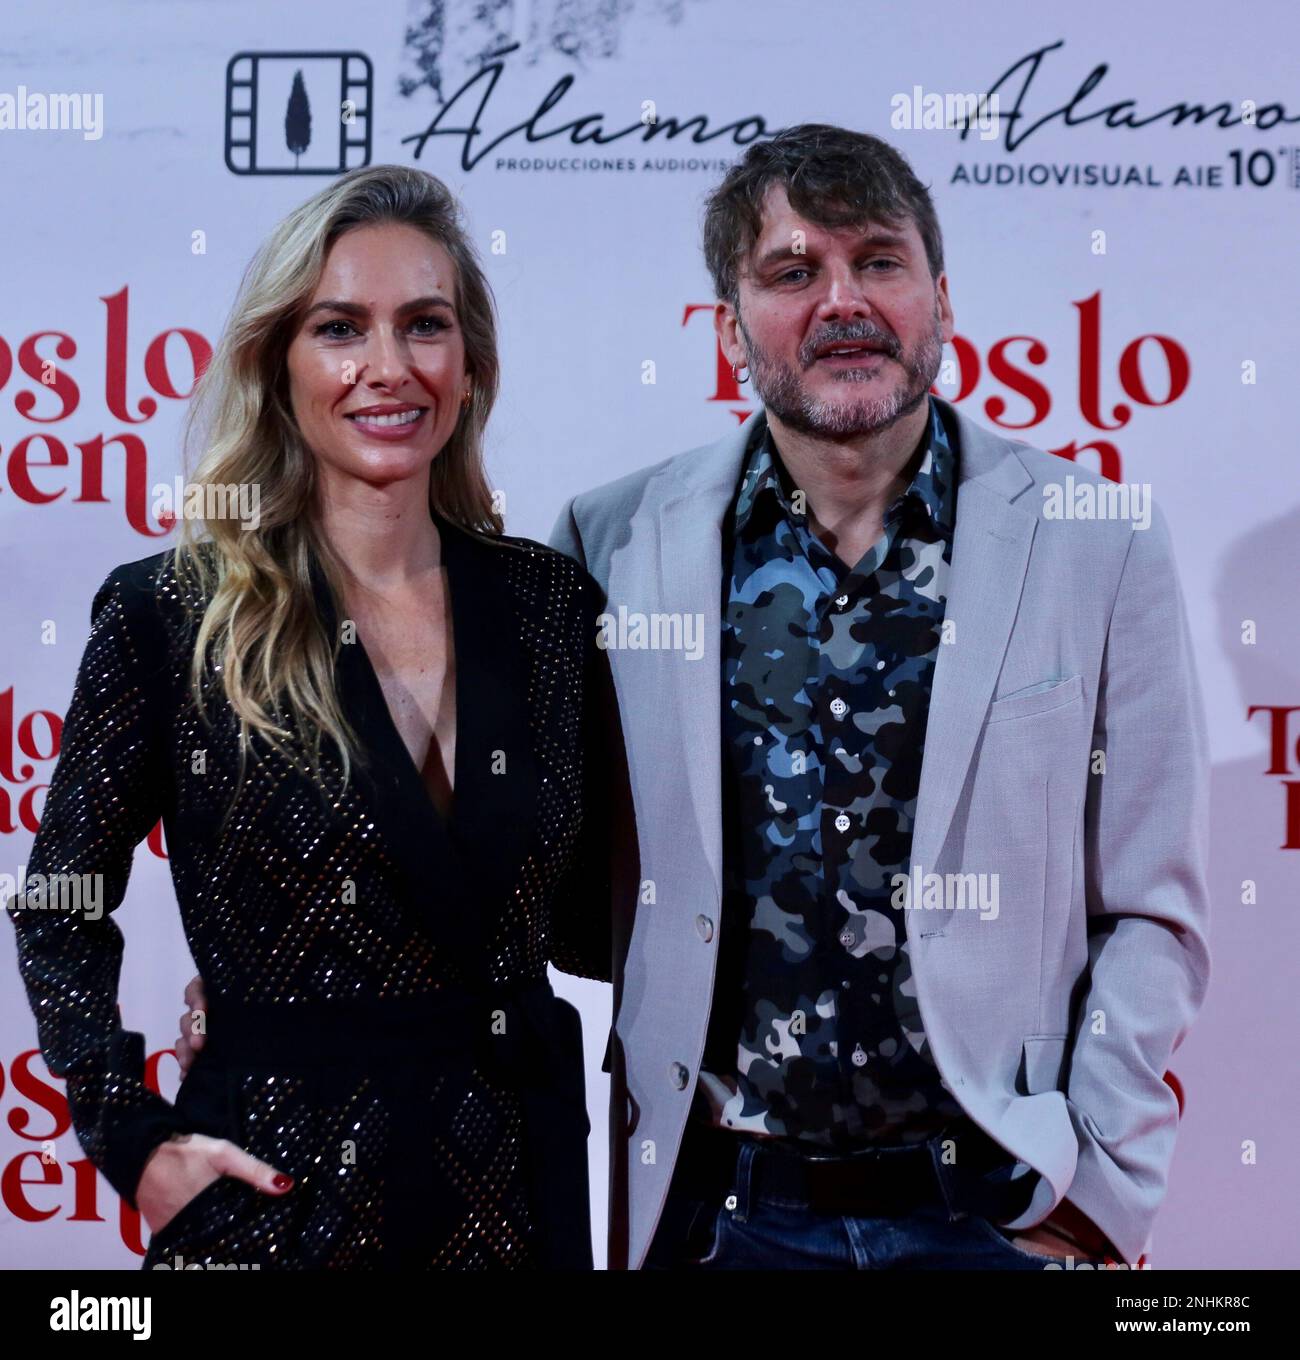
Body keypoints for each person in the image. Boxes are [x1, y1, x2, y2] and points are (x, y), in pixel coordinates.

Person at [548, 124, 1211, 1270]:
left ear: (942, 301)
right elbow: (557, 887)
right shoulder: (609, 543)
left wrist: (1097, 1189)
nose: (842, 300)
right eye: (793, 271)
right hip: (714, 1219)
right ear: (727, 326)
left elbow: (1153, 905)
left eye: (879, 261)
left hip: (997, 1217)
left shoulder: (1095, 539)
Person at [9, 164, 625, 1270]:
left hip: (516, 1199)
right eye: (341, 328)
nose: (387, 368)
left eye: (424, 326)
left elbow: (605, 918)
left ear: (470, 362)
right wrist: (134, 1139)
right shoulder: (174, 614)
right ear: (278, 361)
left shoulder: (549, 607)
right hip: (275, 1203)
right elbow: (58, 903)